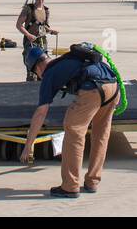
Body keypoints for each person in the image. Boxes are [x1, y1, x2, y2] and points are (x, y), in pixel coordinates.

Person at [20, 46, 120, 198]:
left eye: (34, 73)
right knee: (101, 134)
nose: (37, 76)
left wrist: (28, 145)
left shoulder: (49, 73)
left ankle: (70, 186)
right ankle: (92, 181)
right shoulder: (67, 60)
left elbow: (41, 113)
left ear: (37, 67)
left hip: (93, 89)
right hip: (113, 87)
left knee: (73, 129)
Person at [17, 0, 56, 81]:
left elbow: (45, 27)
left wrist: (51, 31)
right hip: (31, 43)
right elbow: (19, 25)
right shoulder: (28, 9)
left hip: (42, 42)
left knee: (43, 70)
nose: (40, 1)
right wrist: (28, 35)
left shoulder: (46, 10)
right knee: (32, 70)